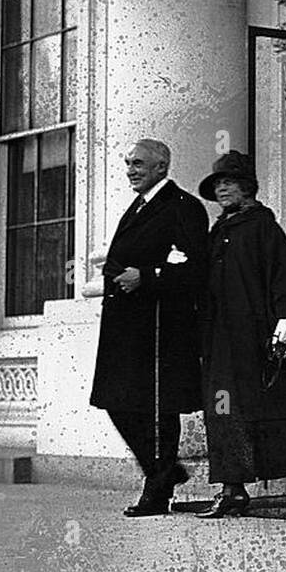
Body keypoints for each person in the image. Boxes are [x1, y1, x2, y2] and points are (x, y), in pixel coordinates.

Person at [195, 151, 286, 518]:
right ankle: (231, 488)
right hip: (222, 342)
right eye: (218, 183)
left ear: (247, 187)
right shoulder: (219, 230)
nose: (222, 188)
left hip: (259, 339)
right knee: (223, 408)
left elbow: (284, 275)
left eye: (229, 182)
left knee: (281, 404)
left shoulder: (264, 228)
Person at [89, 138, 208, 517]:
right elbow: (118, 258)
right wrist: (120, 275)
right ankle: (165, 471)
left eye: (139, 163)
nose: (131, 170)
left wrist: (148, 276)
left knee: (160, 407)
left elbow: (197, 268)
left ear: (162, 167)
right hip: (126, 325)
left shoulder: (184, 207)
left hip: (161, 327)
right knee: (116, 400)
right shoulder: (137, 207)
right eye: (128, 163)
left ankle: (156, 492)